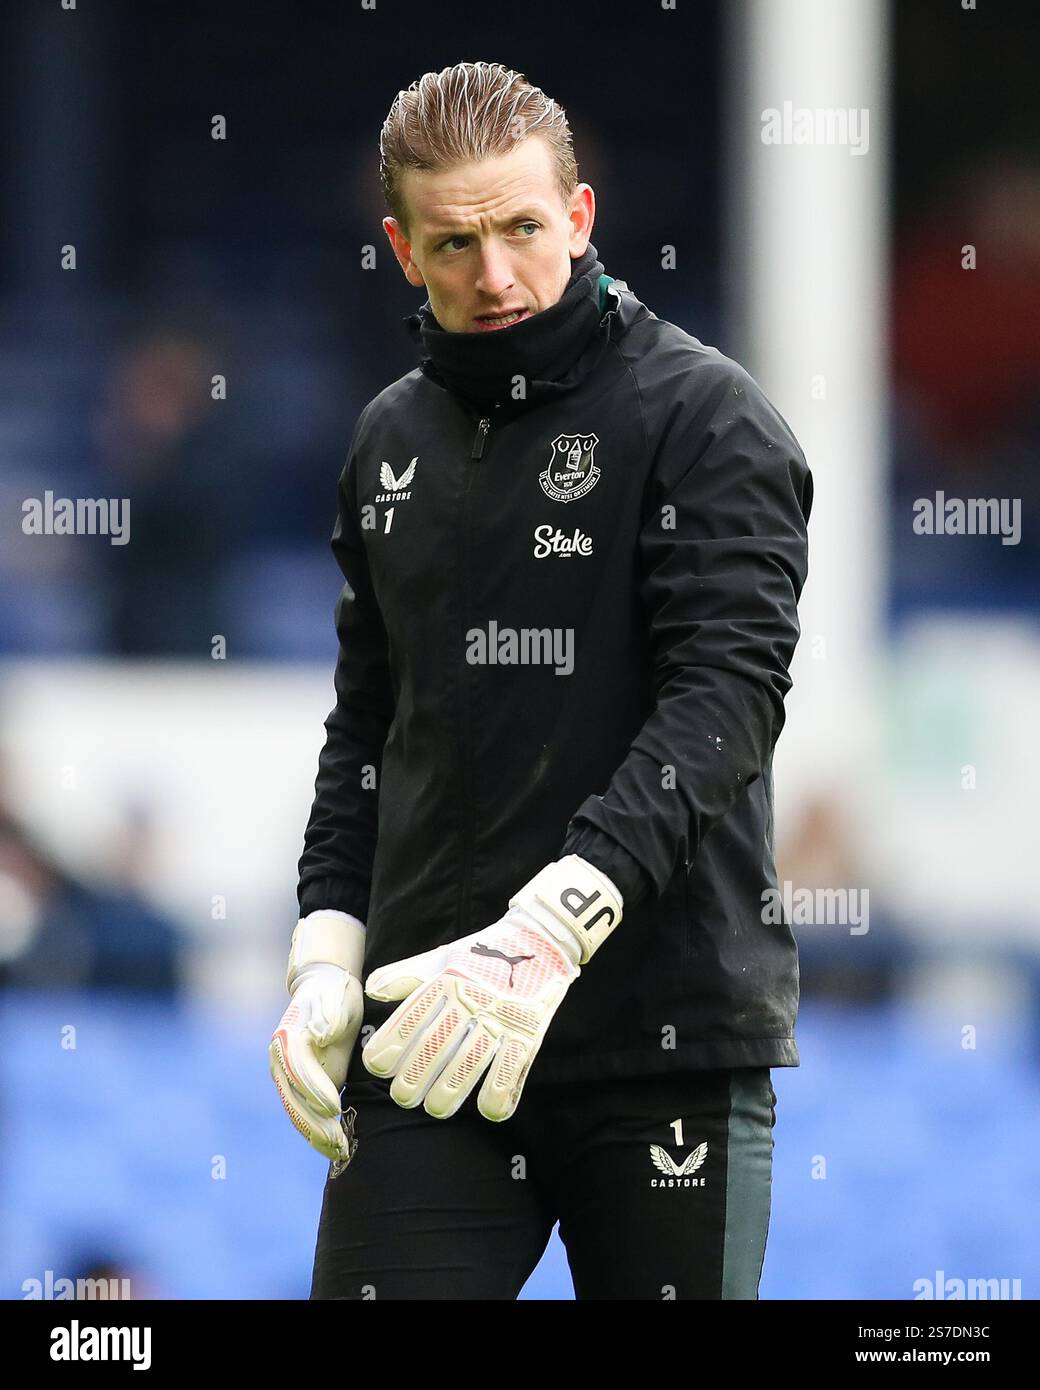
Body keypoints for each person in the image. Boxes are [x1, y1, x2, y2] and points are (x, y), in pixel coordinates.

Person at [269, 60, 813, 1301]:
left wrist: (548, 929)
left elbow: (723, 698)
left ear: (578, 217)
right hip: (433, 1039)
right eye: (453, 242)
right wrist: (322, 950)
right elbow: (367, 725)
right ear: (403, 251)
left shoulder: (709, 418)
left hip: (662, 1035)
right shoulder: (385, 441)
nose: (494, 273)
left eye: (521, 228)